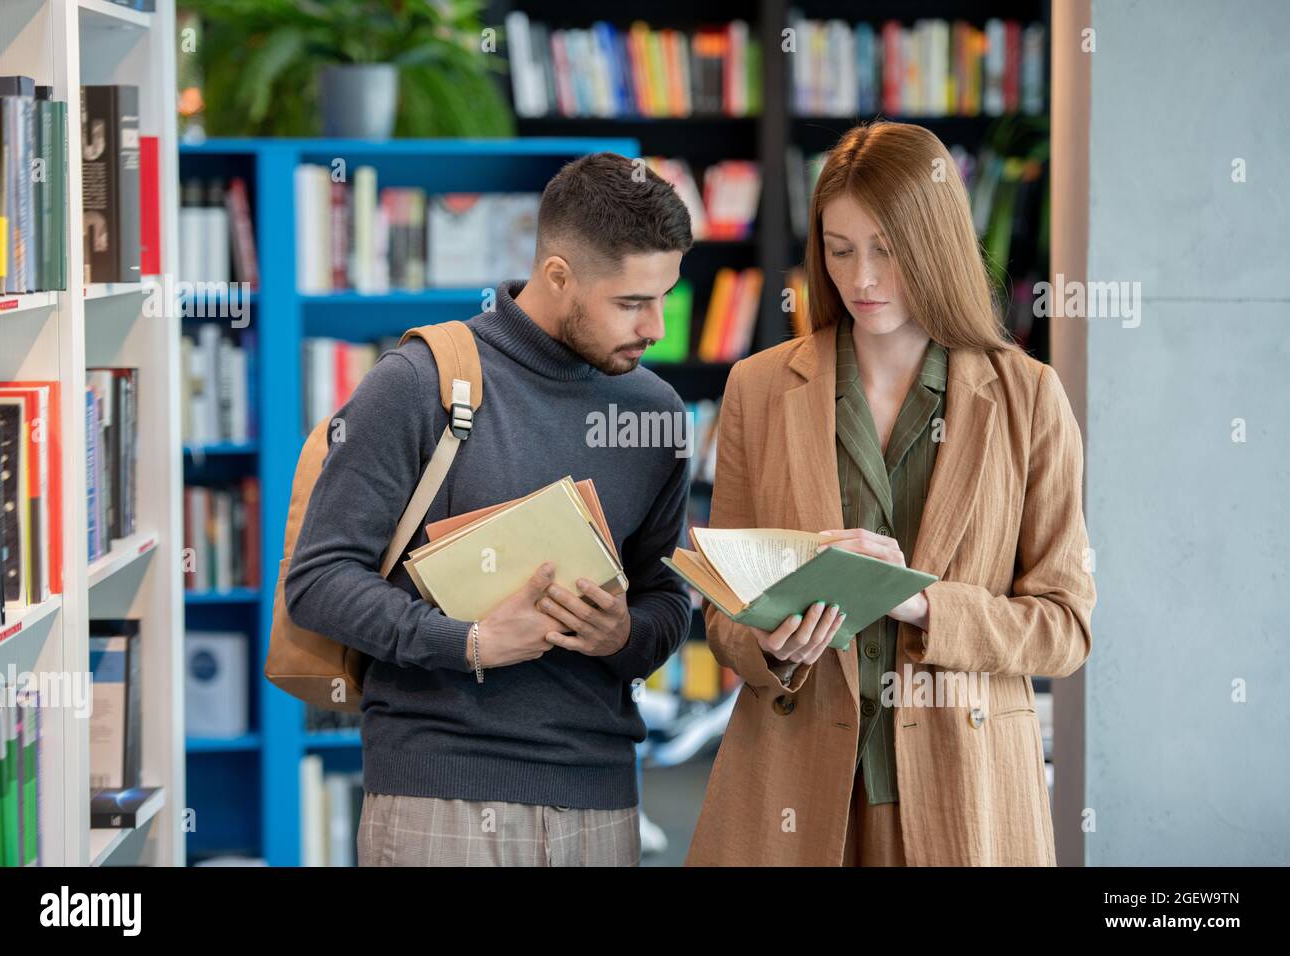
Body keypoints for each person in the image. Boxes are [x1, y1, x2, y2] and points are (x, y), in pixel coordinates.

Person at [685, 122, 1095, 866]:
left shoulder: (1028, 396)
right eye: (840, 252)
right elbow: (724, 611)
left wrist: (923, 602)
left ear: (935, 245)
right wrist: (768, 643)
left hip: (964, 795)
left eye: (888, 250)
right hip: (796, 786)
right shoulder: (759, 387)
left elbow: (1065, 628)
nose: (863, 279)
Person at [285, 153, 694, 866]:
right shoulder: (418, 383)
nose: (656, 326)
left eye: (665, 296)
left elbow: (668, 599)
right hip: (436, 796)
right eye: (632, 303)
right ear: (558, 274)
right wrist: (468, 642)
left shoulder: (657, 415)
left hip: (600, 801)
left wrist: (622, 632)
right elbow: (318, 581)